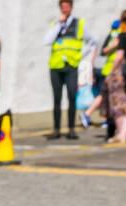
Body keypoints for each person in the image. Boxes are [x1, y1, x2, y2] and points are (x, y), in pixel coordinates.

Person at [45, 0, 85, 139]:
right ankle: (56, 129)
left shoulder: (79, 24)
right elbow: (47, 40)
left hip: (71, 66)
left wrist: (81, 56)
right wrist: (58, 25)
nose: (64, 10)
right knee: (57, 98)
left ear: (71, 7)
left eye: (67, 7)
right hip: (56, 66)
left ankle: (71, 129)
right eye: (62, 7)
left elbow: (91, 42)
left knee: (72, 97)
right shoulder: (56, 24)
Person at [101, 10, 126, 144]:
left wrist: (112, 71)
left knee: (117, 104)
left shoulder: (122, 36)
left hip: (120, 73)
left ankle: (121, 134)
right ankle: (124, 133)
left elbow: (119, 55)